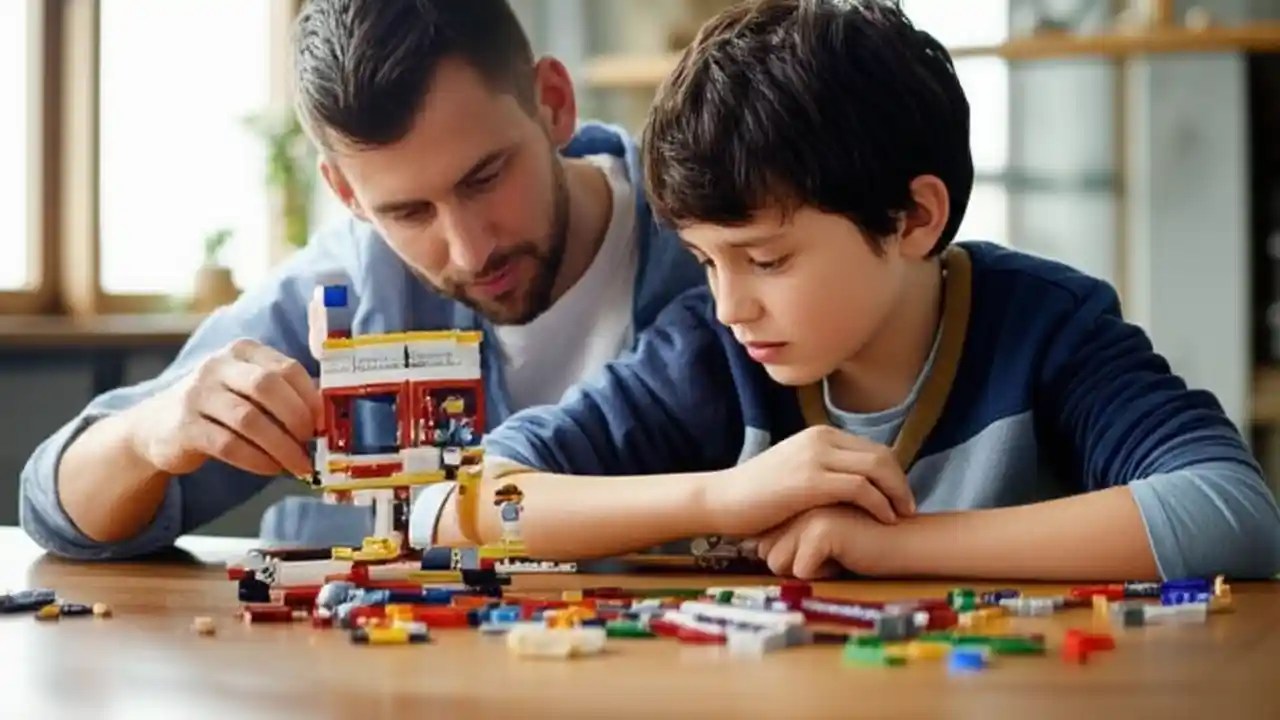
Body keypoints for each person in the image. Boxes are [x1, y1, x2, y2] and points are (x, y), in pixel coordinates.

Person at [412, 0, 1280, 581]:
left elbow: (1234, 515)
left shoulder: (1045, 327)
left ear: (912, 218)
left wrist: (892, 546)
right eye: (708, 261)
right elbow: (453, 502)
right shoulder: (712, 354)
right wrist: (722, 496)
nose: (729, 304)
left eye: (768, 260)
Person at [17, 0, 702, 560]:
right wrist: (146, 435)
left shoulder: (725, 249)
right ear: (346, 193)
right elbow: (56, 510)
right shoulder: (345, 285)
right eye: (407, 211)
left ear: (552, 103)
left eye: (486, 178)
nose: (468, 251)